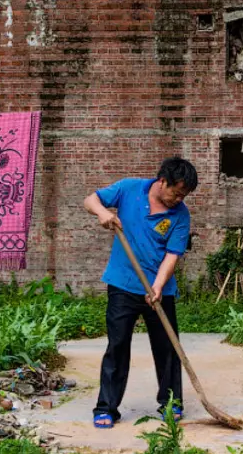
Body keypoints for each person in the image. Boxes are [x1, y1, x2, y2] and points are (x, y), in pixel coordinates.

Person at [83, 157, 197, 429]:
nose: (179, 199)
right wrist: (103, 213)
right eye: (176, 192)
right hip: (123, 286)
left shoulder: (180, 215)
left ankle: (171, 402)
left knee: (167, 348)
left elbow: (172, 255)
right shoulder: (129, 189)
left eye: (184, 195)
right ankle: (106, 408)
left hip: (160, 290)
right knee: (117, 346)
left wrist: (158, 286)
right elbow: (91, 200)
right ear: (162, 181)